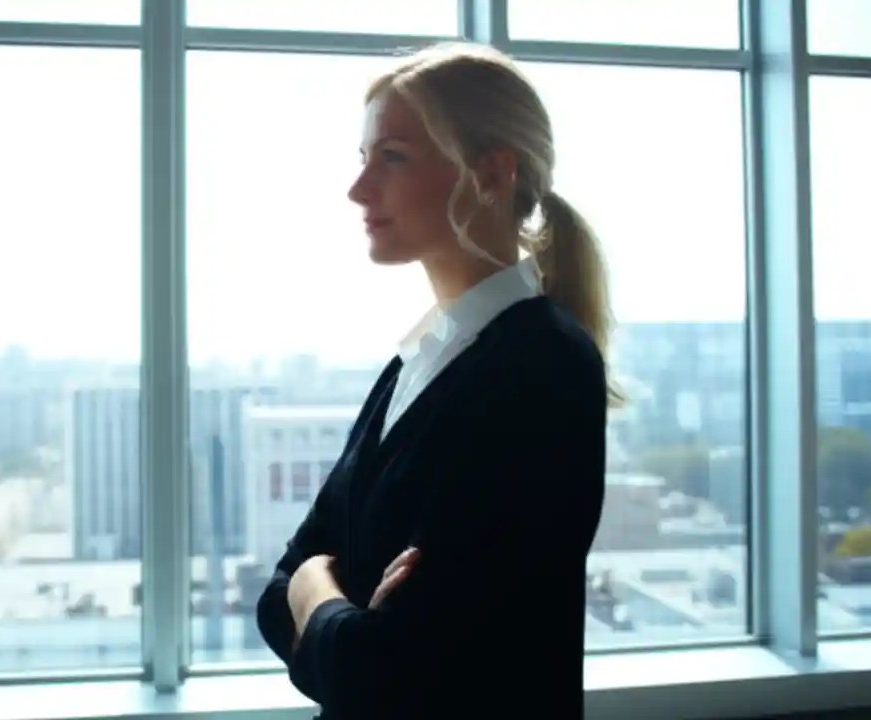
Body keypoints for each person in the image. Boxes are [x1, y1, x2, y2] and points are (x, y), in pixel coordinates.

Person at [255, 41, 616, 719]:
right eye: (364, 160)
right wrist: (332, 604)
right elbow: (277, 597)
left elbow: (379, 670)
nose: (359, 189)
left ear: (489, 175)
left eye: (392, 157)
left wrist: (314, 590)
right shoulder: (418, 361)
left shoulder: (542, 370)